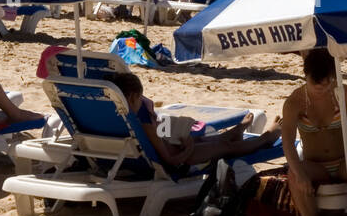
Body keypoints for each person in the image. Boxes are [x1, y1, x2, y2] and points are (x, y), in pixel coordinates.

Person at [281, 48, 347, 216]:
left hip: (343, 161)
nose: (322, 88)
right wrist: (300, 173)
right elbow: (288, 144)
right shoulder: (295, 102)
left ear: (333, 76)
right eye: (316, 84)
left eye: (327, 83)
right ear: (306, 76)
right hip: (316, 165)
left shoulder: (343, 93)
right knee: (294, 174)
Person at [108, 71, 279, 171]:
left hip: (173, 144)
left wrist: (172, 128)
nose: (142, 102)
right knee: (227, 148)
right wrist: (188, 147)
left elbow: (157, 137)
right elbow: (170, 160)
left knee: (207, 139)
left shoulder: (119, 118)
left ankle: (234, 132)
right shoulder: (145, 126)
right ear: (131, 97)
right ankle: (266, 138)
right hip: (184, 158)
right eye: (140, 99)